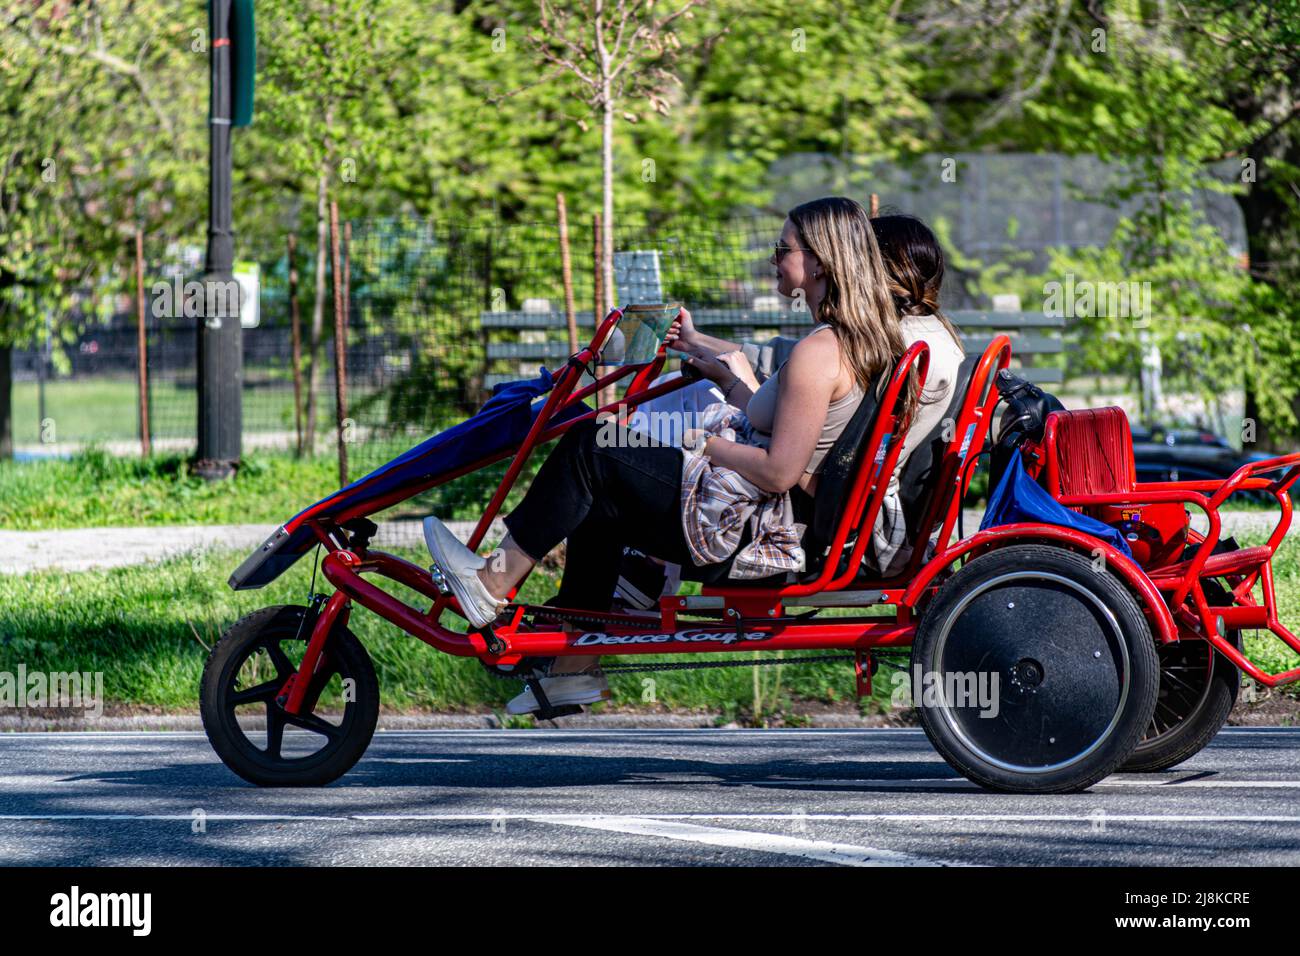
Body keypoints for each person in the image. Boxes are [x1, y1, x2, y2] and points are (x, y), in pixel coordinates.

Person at [422, 196, 914, 715]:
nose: (773, 258)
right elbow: (784, 425)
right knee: (601, 496)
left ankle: (492, 583)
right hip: (771, 520)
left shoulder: (821, 350)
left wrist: (698, 443)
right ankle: (573, 668)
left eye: (782, 247)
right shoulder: (850, 342)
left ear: (819, 261)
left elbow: (779, 471)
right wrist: (725, 376)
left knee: (593, 443)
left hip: (754, 532)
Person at [621, 213, 966, 595]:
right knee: (687, 397)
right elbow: (782, 363)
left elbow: (804, 452)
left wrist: (705, 437)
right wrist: (700, 345)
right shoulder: (927, 335)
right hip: (858, 504)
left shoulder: (890, 344)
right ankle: (646, 565)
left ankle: (646, 562)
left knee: (665, 416)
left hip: (835, 512)